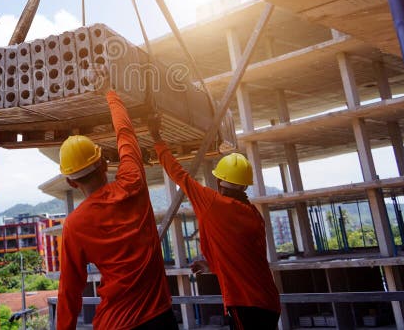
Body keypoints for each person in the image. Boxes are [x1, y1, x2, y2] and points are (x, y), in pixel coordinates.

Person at [56, 88, 177, 330]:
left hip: (115, 323)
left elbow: (69, 290)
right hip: (160, 318)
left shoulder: (75, 225)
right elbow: (125, 133)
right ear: (103, 164)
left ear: (70, 181)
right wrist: (110, 92)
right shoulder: (133, 182)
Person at [148, 114, 281, 330]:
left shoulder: (213, 203)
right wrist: (212, 265)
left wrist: (156, 137)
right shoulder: (254, 215)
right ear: (245, 186)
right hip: (268, 301)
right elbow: (244, 260)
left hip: (245, 303)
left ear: (219, 181)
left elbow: (178, 174)